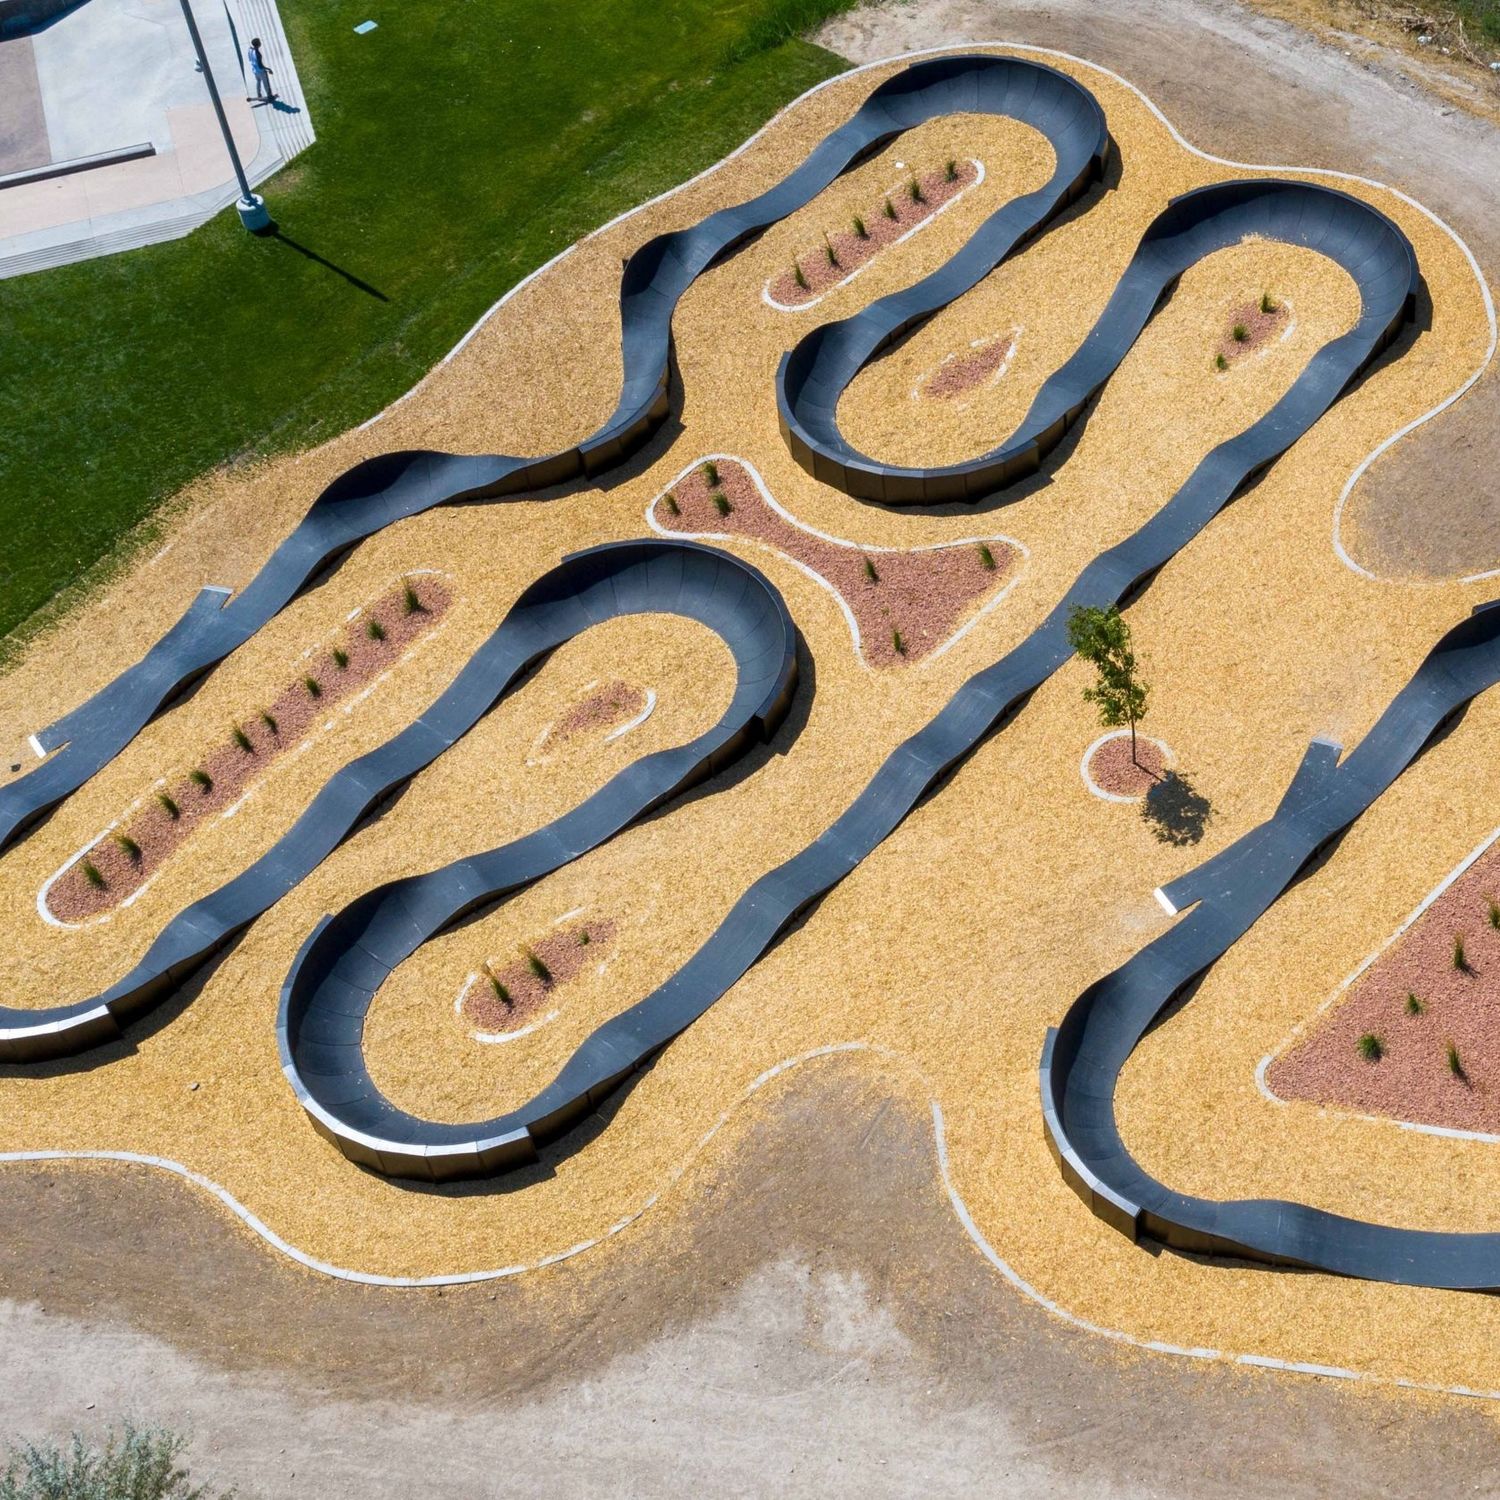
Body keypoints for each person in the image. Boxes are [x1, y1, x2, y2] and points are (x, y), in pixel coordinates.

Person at [247, 37, 274, 102]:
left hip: (255, 70)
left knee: (258, 81)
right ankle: (269, 96)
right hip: (261, 71)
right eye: (259, 42)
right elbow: (260, 66)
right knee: (266, 84)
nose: (260, 42)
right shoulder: (258, 54)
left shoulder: (250, 50)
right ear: (258, 44)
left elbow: (250, 59)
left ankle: (259, 94)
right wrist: (268, 69)